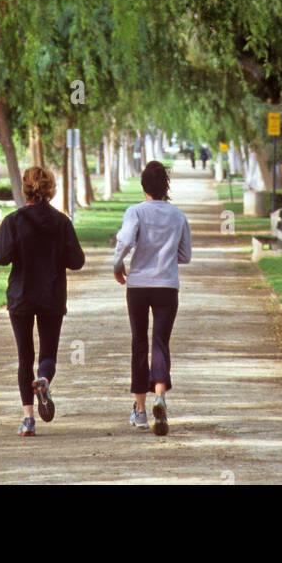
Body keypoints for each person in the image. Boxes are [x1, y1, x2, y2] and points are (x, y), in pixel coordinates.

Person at [0, 165, 85, 437]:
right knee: (47, 354)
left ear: (25, 189)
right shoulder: (62, 222)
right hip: (52, 296)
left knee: (24, 357)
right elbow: (77, 261)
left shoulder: (13, 221)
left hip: (21, 296)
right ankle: (43, 379)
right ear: (50, 190)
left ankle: (28, 419)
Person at [112, 161, 192, 436]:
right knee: (160, 342)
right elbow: (186, 256)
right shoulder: (178, 216)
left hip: (138, 286)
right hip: (167, 287)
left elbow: (124, 242)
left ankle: (141, 411)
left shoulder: (135, 212)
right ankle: (160, 397)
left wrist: (117, 265)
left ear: (144, 186)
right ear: (165, 187)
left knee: (138, 343)